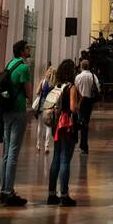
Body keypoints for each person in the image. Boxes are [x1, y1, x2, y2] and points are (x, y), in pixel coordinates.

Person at [0, 39, 32, 207]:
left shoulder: (10, 64)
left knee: (5, 152)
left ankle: (3, 190)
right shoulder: (24, 67)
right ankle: (9, 191)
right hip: (18, 110)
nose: (29, 49)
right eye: (27, 48)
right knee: (13, 152)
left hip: (6, 110)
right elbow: (28, 92)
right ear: (22, 51)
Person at [46, 58, 80, 206]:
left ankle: (51, 194)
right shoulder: (71, 87)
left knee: (56, 159)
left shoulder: (57, 86)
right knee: (65, 159)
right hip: (67, 124)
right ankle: (64, 195)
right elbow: (73, 108)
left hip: (56, 125)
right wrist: (80, 102)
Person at [74, 58, 100, 154]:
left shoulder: (78, 77)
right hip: (89, 101)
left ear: (81, 66)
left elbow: (75, 88)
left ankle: (83, 145)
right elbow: (98, 87)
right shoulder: (93, 76)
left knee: (82, 122)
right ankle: (83, 145)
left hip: (81, 101)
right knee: (85, 123)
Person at [33, 63, 56, 152]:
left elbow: (37, 92)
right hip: (50, 105)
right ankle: (46, 146)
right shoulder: (54, 84)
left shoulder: (43, 81)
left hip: (42, 104)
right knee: (48, 126)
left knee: (39, 125)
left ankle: (38, 145)